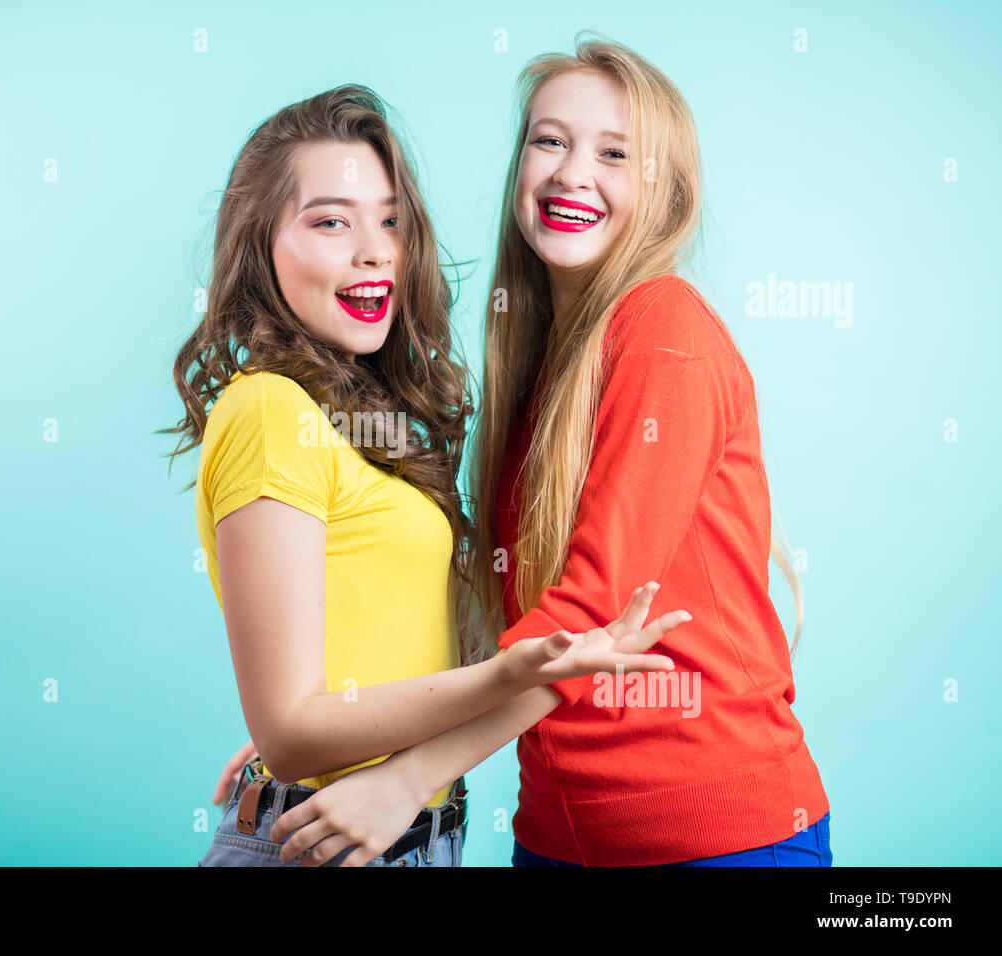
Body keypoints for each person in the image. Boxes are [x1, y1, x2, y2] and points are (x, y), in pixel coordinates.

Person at [263, 37, 832, 867]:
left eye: (614, 154)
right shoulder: (543, 369)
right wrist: (332, 748)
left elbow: (590, 611)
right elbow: (499, 627)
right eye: (550, 141)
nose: (572, 173)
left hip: (719, 838)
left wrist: (403, 780)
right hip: (560, 839)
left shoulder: (665, 330)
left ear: (664, 192)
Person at [167, 82, 690, 867]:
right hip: (326, 842)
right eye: (331, 221)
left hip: (402, 834)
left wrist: (364, 710)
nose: (375, 249)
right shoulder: (271, 411)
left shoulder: (358, 415)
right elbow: (291, 730)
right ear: (259, 245)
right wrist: (503, 676)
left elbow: (366, 649)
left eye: (390, 220)